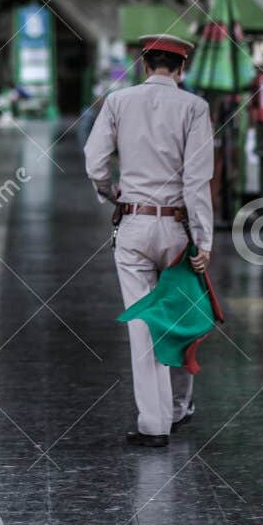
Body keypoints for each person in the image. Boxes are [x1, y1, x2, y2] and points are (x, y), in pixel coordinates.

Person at [83, 34, 215, 449]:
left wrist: (111, 193)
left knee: (143, 324)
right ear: (181, 69)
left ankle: (153, 425)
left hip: (134, 225)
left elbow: (94, 161)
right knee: (179, 316)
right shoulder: (195, 107)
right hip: (177, 228)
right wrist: (204, 240)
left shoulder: (118, 102)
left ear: (143, 65)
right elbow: (197, 182)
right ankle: (178, 407)